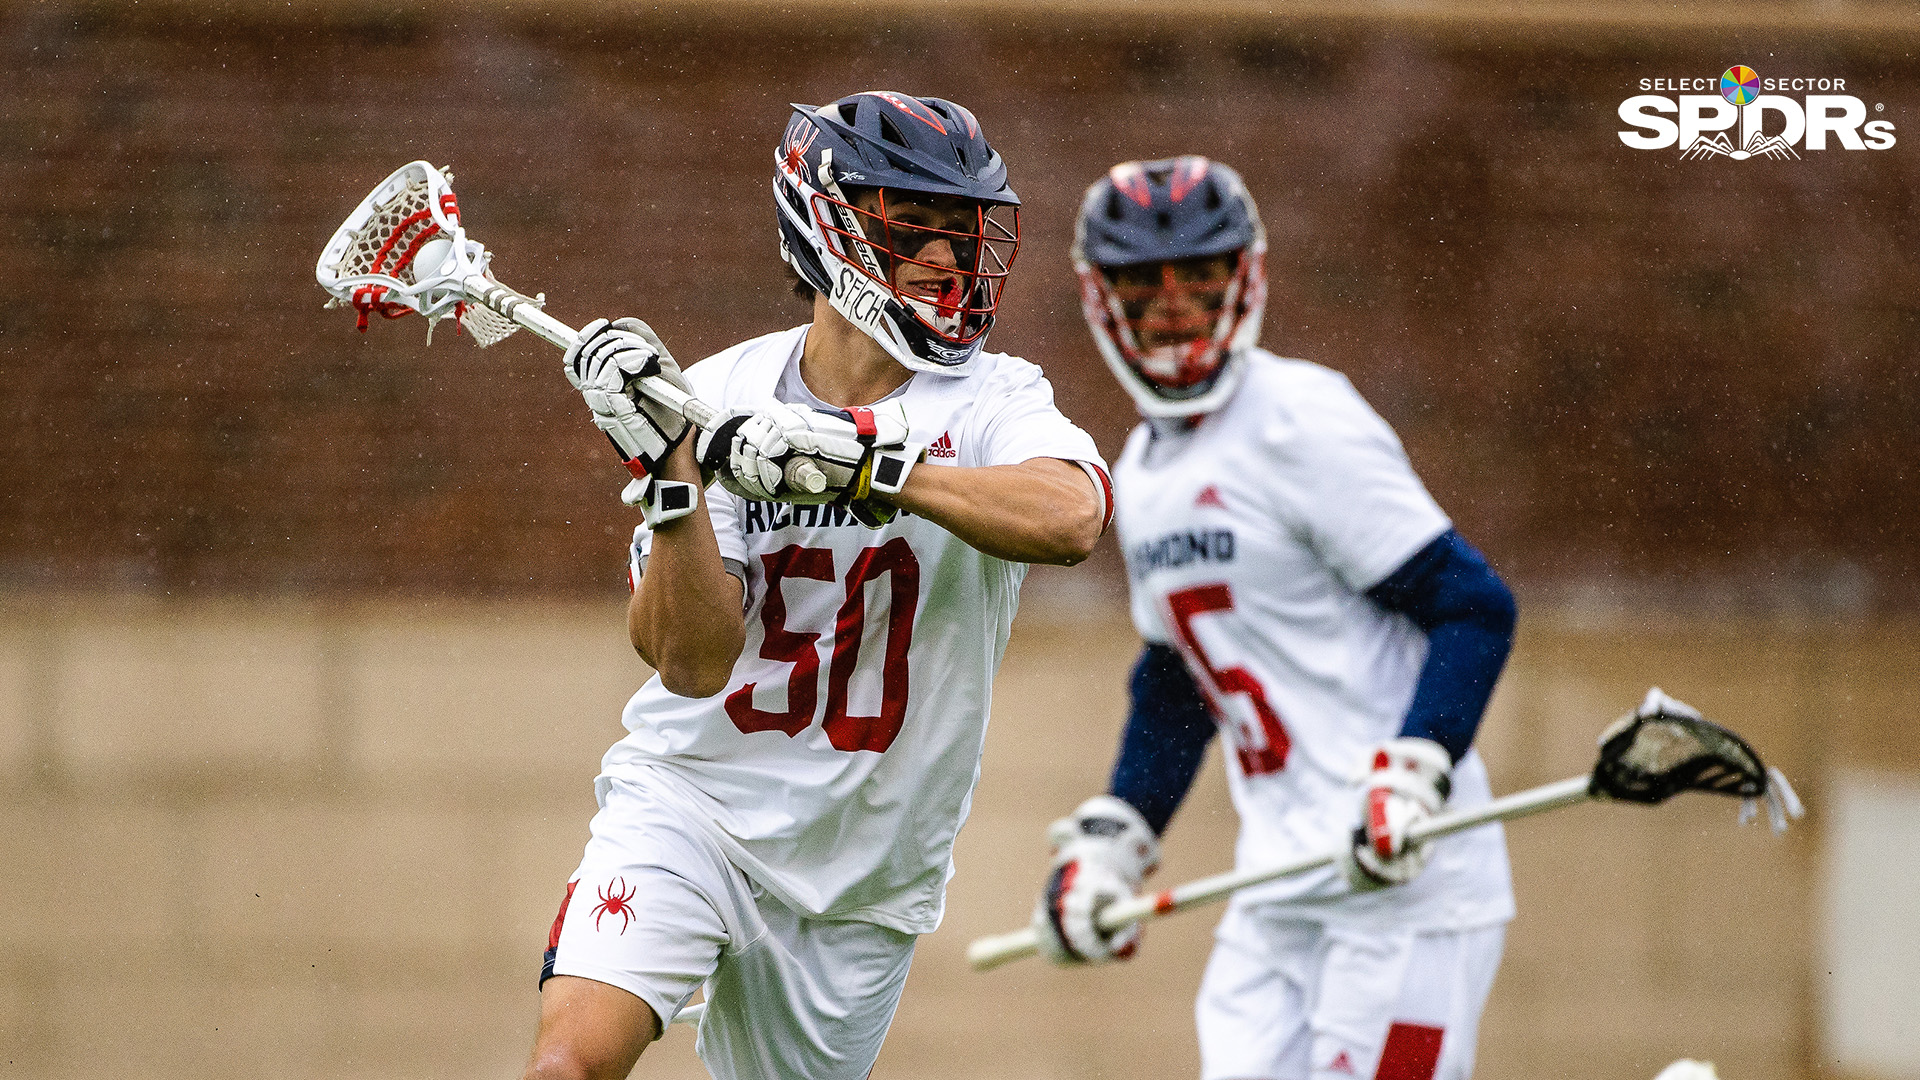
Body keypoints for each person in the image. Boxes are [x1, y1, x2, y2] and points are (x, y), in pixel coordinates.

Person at [525, 91, 1111, 1080]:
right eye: (915, 231)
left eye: (962, 237)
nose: (948, 263)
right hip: (694, 807)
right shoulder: (716, 396)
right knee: (567, 1067)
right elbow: (691, 661)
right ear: (828, 229)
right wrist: (670, 475)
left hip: (861, 873)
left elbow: (1074, 519)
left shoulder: (998, 398)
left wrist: (870, 466)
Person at [1030, 156, 1518, 1080]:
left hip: (1402, 884)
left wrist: (1416, 773)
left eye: (1199, 277)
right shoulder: (1138, 468)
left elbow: (1473, 607)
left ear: (1244, 277)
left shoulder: (1302, 418)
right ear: (1103, 297)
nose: (1174, 307)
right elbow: (1180, 679)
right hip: (1281, 887)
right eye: (1144, 282)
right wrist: (1119, 839)